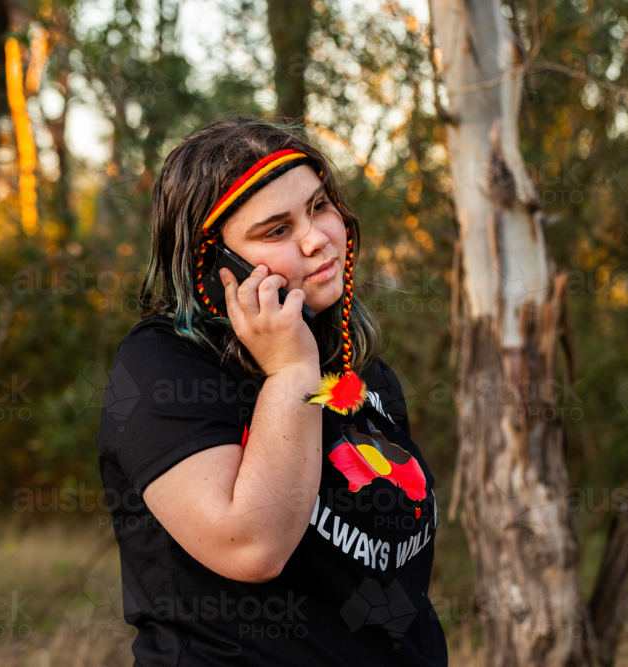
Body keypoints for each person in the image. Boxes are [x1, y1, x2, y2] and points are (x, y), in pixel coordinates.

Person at [94, 117, 448, 666]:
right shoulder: (164, 367)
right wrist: (288, 375)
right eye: (276, 230)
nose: (315, 237)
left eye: (320, 205)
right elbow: (251, 547)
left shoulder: (364, 373)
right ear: (216, 266)